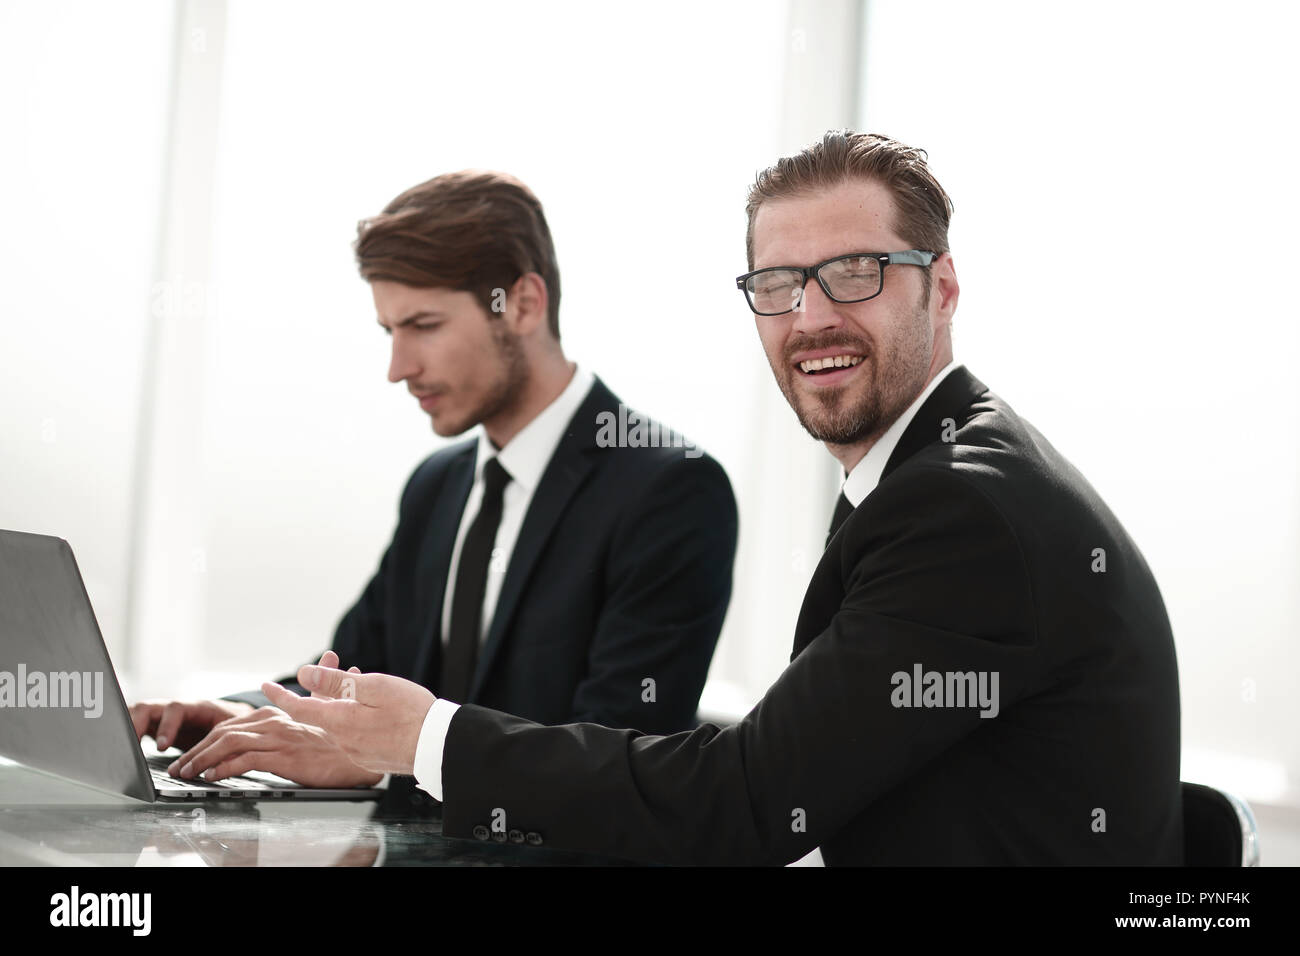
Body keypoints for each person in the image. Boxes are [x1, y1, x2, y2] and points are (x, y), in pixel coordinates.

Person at [258, 131, 1183, 865]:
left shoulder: (965, 509)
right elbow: (788, 762)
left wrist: (431, 740)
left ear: (941, 289)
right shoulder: (930, 474)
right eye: (778, 286)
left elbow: (751, 802)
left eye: (856, 272)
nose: (810, 316)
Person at [129, 171, 739, 805]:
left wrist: (385, 765)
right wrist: (235, 715)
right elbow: (351, 671)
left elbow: (615, 765)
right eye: (389, 332)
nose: (398, 368)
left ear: (524, 304)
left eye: (422, 325)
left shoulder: (672, 492)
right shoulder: (438, 485)